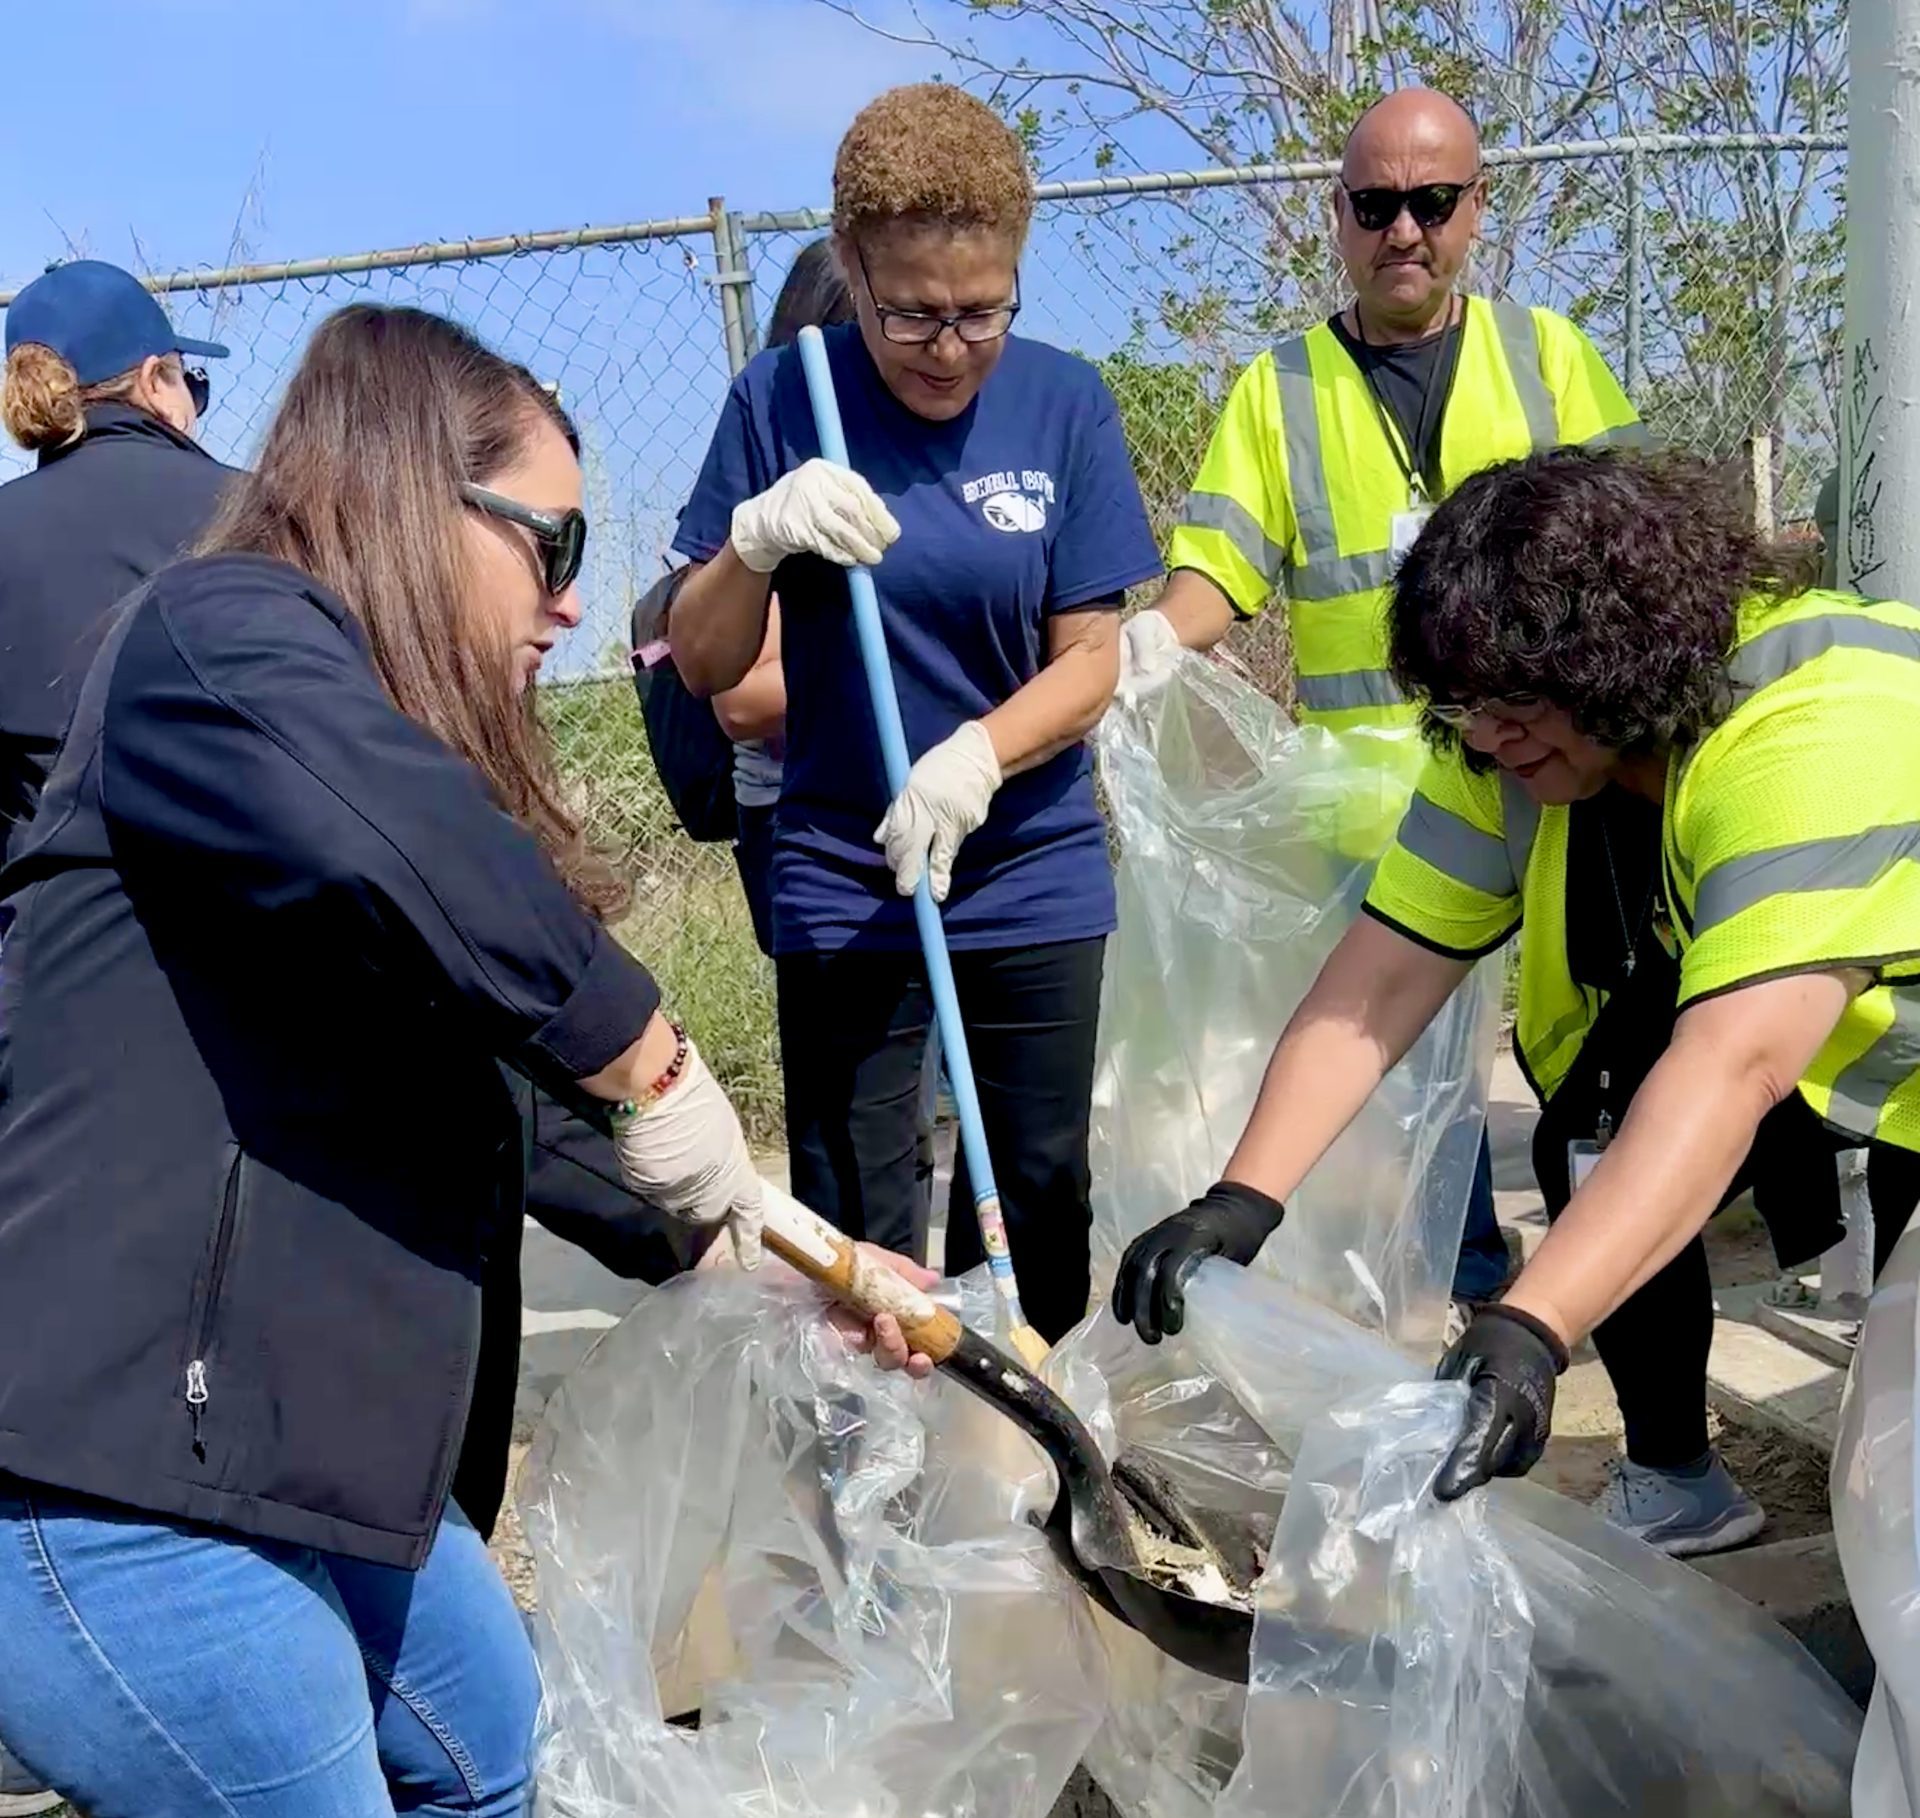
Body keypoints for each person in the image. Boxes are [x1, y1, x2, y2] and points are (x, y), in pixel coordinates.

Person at [0, 304, 932, 1818]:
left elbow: (502, 1093)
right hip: (117, 1479)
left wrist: (762, 1243)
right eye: (553, 547)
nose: (571, 608)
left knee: (491, 1752)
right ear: (418, 503)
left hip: (300, 1457)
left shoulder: (313, 746)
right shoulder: (213, 639)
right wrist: (655, 1061)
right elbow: (432, 855)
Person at [1114, 446, 1920, 1536]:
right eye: (1461, 709)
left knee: (1902, 1466)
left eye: (1512, 706)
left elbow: (1737, 1065)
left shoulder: (1813, 730)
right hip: (1880, 1058)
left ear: (1620, 658)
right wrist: (1242, 1198)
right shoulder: (1505, 735)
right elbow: (1382, 978)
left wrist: (1532, 1327)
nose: (1485, 738)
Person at [1113, 88, 1648, 1328]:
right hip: (1376, 811)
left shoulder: (1547, 355)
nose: (1402, 230)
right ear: (1337, 219)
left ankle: (1600, 1277)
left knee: (1586, 1039)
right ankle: (1449, 1289)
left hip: (1561, 777)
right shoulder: (1281, 387)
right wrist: (1152, 639)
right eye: (1373, 205)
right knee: (1403, 1066)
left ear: (1476, 209)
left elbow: (1635, 540)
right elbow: (1220, 570)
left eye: (1432, 202)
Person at [670, 84, 1162, 1340]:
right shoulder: (784, 400)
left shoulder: (1063, 404)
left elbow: (1093, 655)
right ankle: (878, 1502)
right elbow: (707, 660)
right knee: (857, 1218)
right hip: (847, 865)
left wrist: (978, 757)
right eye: (911, 317)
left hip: (1027, 858)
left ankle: (1021, 1463)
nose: (950, 350)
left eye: (981, 312)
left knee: (1038, 1188)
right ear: (851, 267)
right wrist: (755, 543)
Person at [0, 259, 236, 864]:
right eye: (194, 384)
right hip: (237, 913)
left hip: (37, 929)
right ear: (156, 380)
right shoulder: (255, 511)